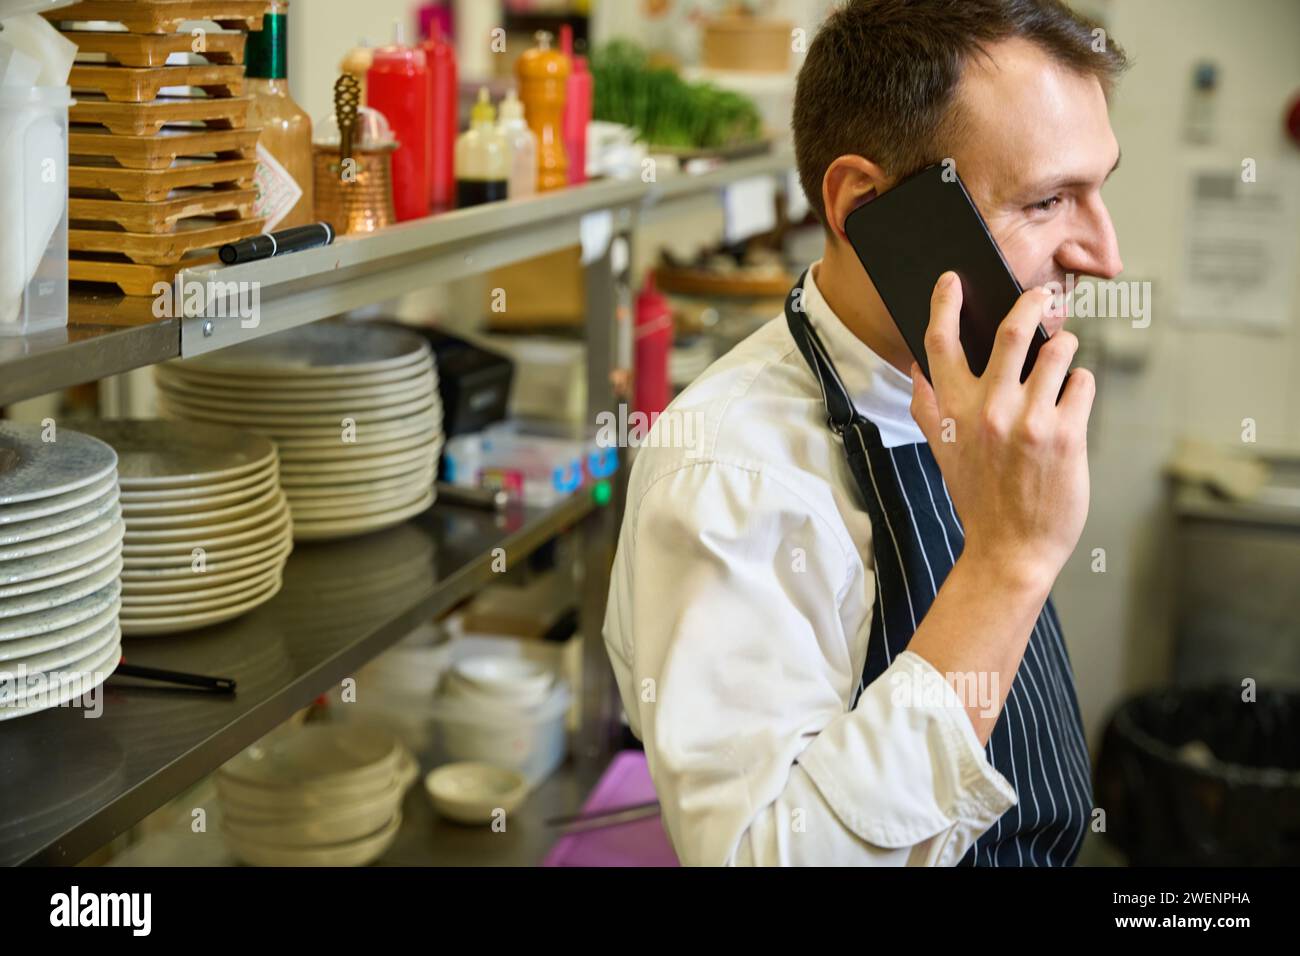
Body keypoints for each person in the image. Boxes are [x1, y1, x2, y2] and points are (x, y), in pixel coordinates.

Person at [602, 0, 1128, 866]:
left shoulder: (987, 400)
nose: (1106, 256)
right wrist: (1008, 565)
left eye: (1099, 188)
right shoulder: (730, 476)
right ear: (866, 203)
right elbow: (763, 855)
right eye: (1046, 201)